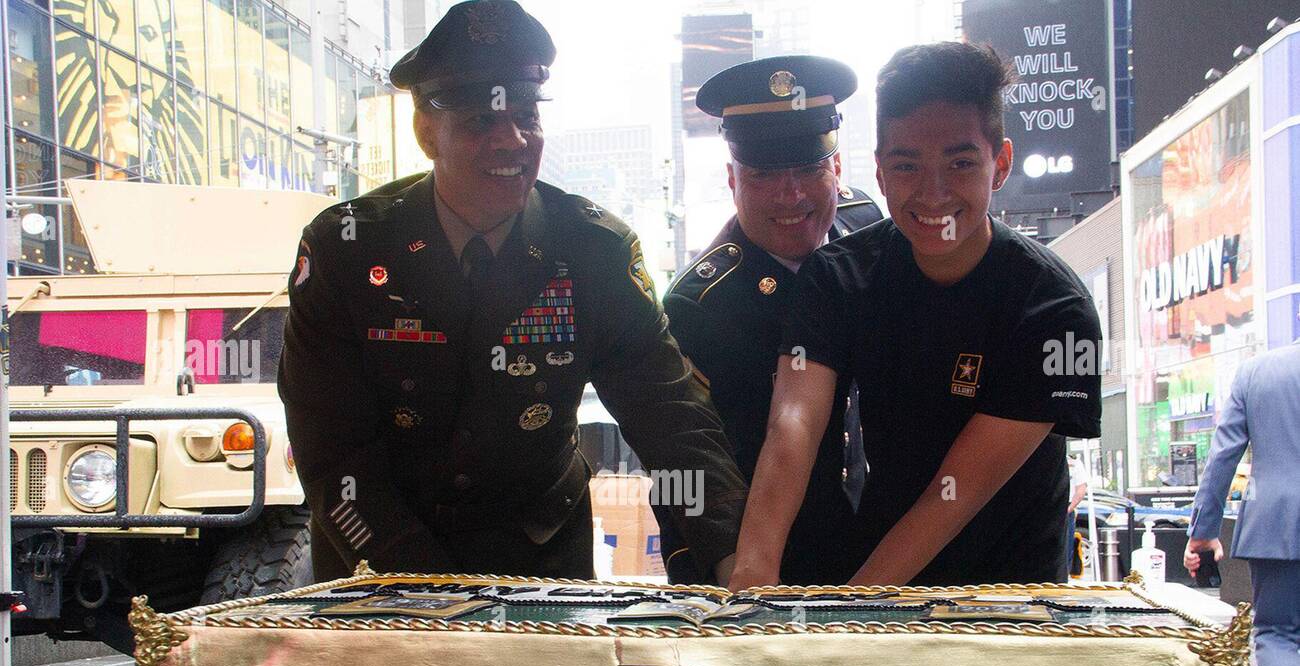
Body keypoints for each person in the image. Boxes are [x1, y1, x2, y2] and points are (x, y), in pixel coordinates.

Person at [280, 0, 747, 585]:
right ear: (427, 130)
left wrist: (732, 552)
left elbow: (669, 418)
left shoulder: (592, 249)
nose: (512, 140)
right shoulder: (347, 249)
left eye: (527, 115)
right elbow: (333, 456)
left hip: (540, 567)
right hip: (380, 571)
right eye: (480, 121)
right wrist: (425, 591)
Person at [728, 42, 1101, 590]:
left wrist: (856, 608)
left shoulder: (1051, 308)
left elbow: (957, 490)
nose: (933, 193)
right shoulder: (839, 277)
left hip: (1011, 603)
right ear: (879, 174)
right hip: (883, 579)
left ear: (999, 165)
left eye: (960, 162)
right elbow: (793, 425)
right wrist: (753, 572)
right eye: (907, 166)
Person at [652, 56, 882, 585]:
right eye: (763, 175)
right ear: (732, 178)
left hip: (877, 558)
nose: (791, 195)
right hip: (764, 575)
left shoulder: (865, 227)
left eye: (808, 169)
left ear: (838, 169)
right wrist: (720, 577)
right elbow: (678, 466)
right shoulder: (700, 307)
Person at [1185, 344, 1300, 666]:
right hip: (1275, 525)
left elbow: (1223, 456)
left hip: (1275, 522)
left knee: (1278, 629)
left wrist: (1202, 532)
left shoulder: (1255, 372)